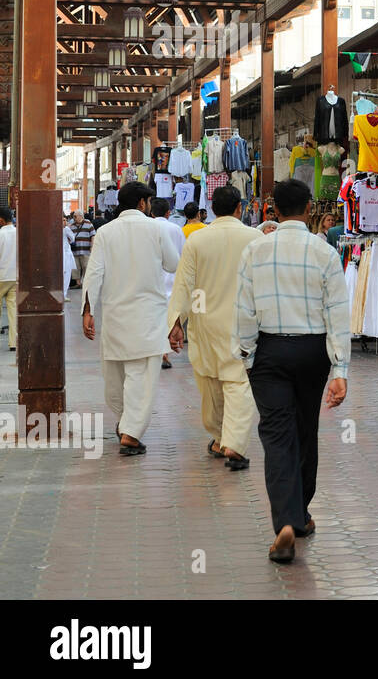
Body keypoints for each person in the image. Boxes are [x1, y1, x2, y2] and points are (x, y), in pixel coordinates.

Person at [234, 179, 350, 564]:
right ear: (307, 209)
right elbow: (337, 311)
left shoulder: (255, 249)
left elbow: (245, 310)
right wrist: (340, 368)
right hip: (313, 352)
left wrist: (247, 353)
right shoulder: (325, 252)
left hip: (269, 351)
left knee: (277, 434)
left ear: (274, 210)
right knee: (305, 429)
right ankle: (300, 514)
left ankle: (286, 519)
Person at [81, 181, 181, 455]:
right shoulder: (156, 229)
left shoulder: (105, 232)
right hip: (148, 316)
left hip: (114, 316)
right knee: (141, 377)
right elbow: (173, 264)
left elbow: (94, 273)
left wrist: (88, 310)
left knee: (115, 377)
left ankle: (126, 422)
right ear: (142, 203)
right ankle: (131, 433)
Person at [168, 186, 262, 471]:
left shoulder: (197, 239)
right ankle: (232, 442)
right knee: (238, 383)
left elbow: (184, 283)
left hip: (204, 319)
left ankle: (220, 437)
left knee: (209, 381)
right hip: (243, 321)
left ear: (211, 210)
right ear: (239, 208)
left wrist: (175, 323)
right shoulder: (255, 238)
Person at [151, 197, 186, 370]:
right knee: (169, 319)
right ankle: (165, 352)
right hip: (172, 281)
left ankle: (159, 352)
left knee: (155, 319)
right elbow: (182, 254)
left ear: (150, 212)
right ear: (168, 212)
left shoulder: (147, 228)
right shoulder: (176, 229)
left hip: (152, 281)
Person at [0, 208, 15, 351]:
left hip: (1, 276)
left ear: (1, 220)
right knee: (12, 309)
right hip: (15, 277)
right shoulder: (18, 233)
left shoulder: (0, 234)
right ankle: (13, 343)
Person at [68, 209, 95, 287]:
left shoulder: (88, 223)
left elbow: (93, 235)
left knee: (86, 266)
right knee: (75, 267)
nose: (74, 218)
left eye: (75, 216)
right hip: (75, 251)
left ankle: (85, 282)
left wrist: (91, 246)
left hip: (85, 250)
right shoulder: (72, 225)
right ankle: (78, 283)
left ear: (81, 216)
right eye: (73, 216)